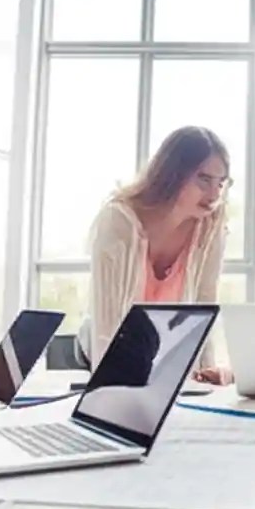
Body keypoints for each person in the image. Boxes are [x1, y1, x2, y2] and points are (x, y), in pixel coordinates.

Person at [81, 126, 230, 384]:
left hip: (163, 352)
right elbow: (107, 325)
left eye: (221, 182)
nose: (214, 194)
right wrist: (107, 392)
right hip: (107, 344)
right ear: (173, 174)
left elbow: (205, 304)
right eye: (204, 179)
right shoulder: (118, 221)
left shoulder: (210, 227)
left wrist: (206, 377)